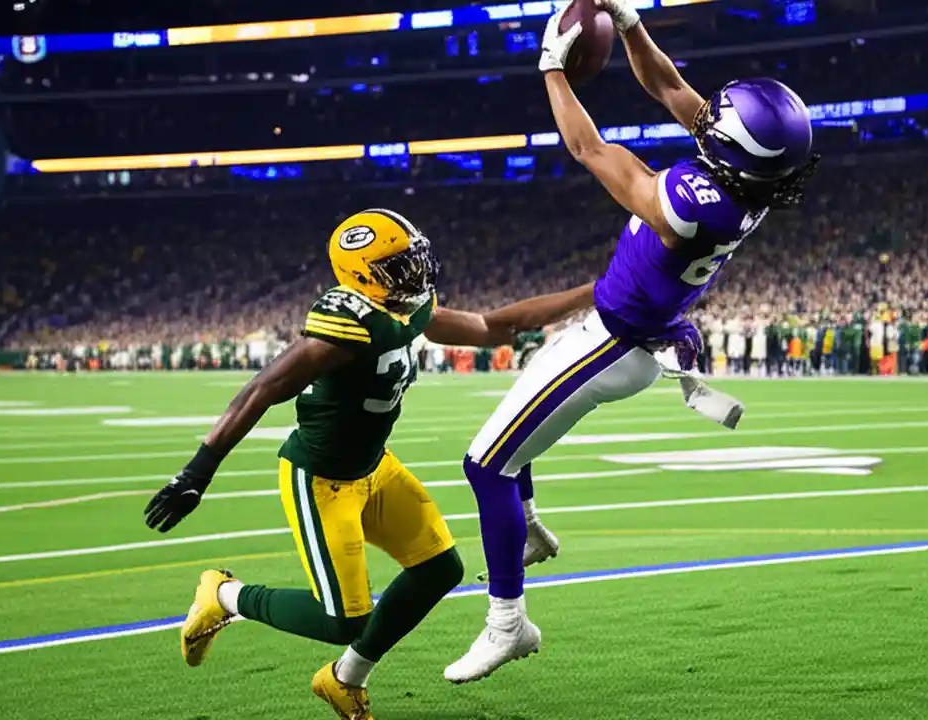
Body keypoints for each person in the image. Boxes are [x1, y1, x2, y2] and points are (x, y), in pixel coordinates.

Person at [444, 2, 817, 683]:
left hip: (615, 347)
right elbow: (670, 87)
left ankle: (508, 623)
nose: (706, 118)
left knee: (485, 466)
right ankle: (528, 529)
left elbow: (589, 149)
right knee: (512, 428)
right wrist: (632, 24)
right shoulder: (753, 182)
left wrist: (552, 69)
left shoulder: (694, 205)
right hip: (625, 332)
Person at [140, 209, 596, 720]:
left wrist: (597, 293)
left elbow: (494, 326)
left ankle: (343, 680)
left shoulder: (408, 308)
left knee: (438, 569)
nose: (413, 273)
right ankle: (224, 595)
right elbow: (262, 389)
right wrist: (197, 472)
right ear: (362, 276)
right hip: (322, 479)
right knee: (343, 622)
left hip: (374, 468)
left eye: (411, 259)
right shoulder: (344, 327)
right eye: (396, 266)